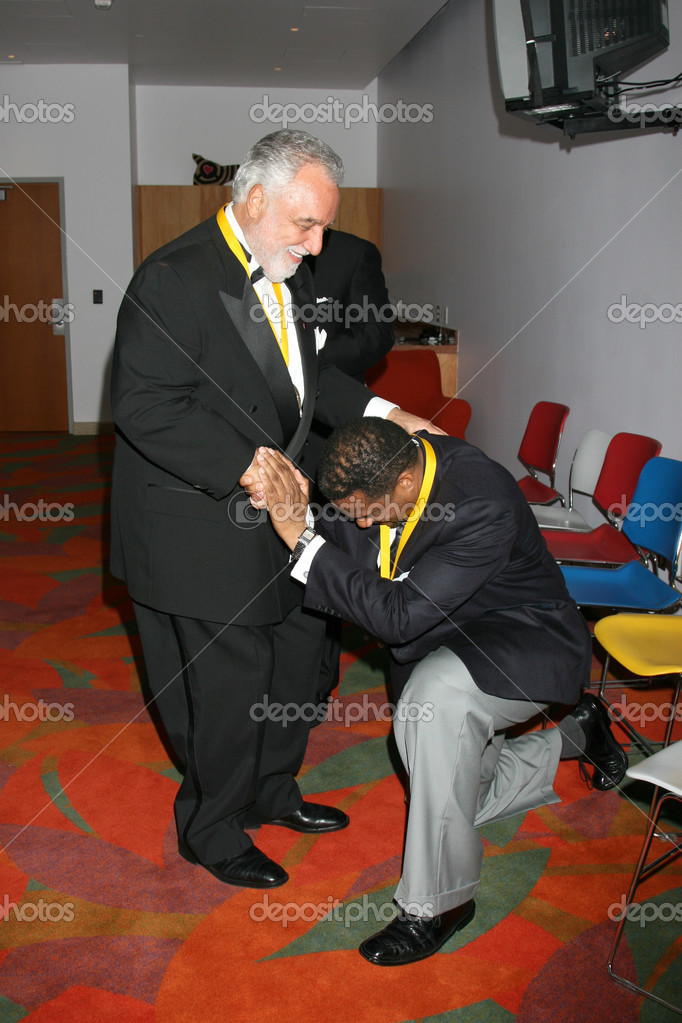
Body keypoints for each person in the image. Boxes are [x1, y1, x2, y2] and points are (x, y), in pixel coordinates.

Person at [109, 130, 442, 890]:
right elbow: (146, 405)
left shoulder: (285, 265)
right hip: (199, 523)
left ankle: (270, 790)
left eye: (324, 226)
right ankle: (212, 828)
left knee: (296, 658)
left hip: (287, 516)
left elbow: (308, 376)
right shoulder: (172, 278)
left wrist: (391, 413)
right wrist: (247, 466)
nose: (318, 244)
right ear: (256, 199)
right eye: (307, 224)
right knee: (229, 688)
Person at [255, 418, 628, 963]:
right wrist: (303, 510)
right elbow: (357, 538)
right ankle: (577, 734)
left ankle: (438, 905)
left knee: (430, 709)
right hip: (446, 631)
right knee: (458, 799)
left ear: (405, 482)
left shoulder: (480, 503)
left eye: (366, 510)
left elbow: (398, 617)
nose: (360, 522)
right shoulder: (389, 468)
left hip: (524, 637)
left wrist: (301, 541)